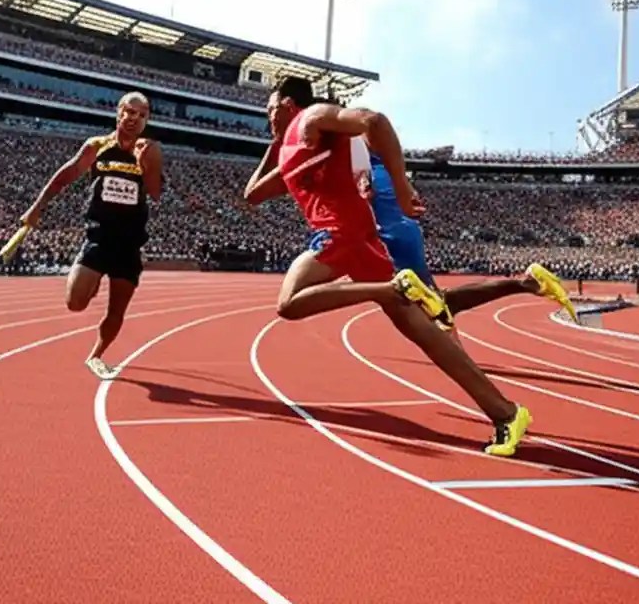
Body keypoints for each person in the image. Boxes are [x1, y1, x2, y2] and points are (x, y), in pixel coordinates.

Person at [243, 76, 529, 457]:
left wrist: (401, 185)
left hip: (341, 236)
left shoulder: (312, 117)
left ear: (290, 103)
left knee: (289, 303)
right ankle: (506, 413)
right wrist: (277, 141)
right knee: (425, 333)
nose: (268, 115)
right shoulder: (291, 152)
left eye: (272, 107)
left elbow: (374, 121)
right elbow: (252, 194)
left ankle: (390, 288)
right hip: (361, 242)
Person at [304, 135, 580, 330]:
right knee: (438, 303)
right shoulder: (388, 163)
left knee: (430, 310)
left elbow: (362, 187)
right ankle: (523, 283)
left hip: (388, 235)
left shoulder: (357, 154)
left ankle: (479, 384)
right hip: (405, 231)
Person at [21, 91, 163, 378]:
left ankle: (96, 354)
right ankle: (91, 276)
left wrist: (146, 163)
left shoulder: (151, 149)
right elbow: (65, 175)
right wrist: (36, 208)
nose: (133, 118)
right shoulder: (97, 146)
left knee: (117, 310)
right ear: (118, 113)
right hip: (99, 236)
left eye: (141, 114)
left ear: (147, 119)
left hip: (130, 243)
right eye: (129, 112)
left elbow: (156, 193)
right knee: (75, 302)